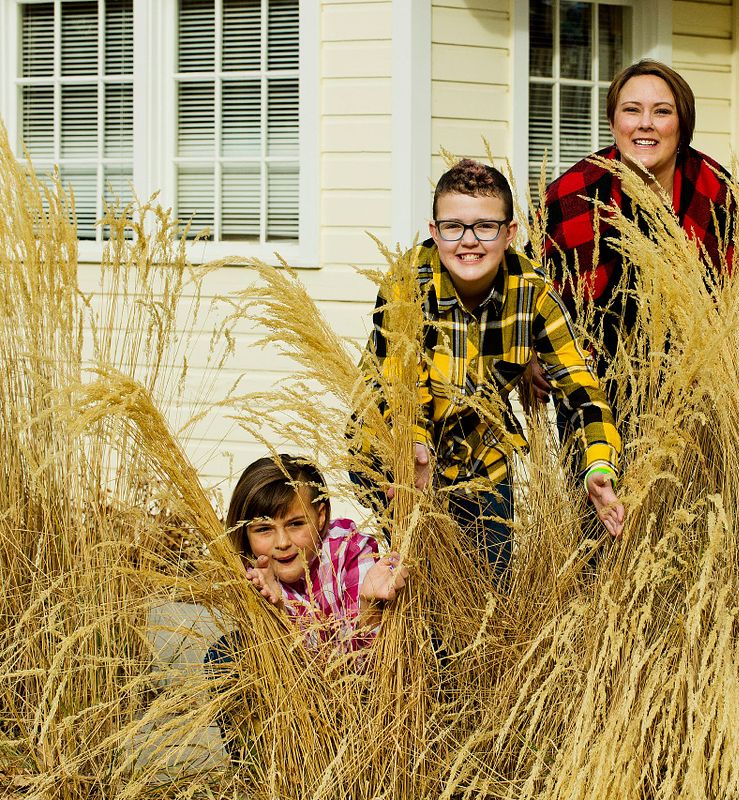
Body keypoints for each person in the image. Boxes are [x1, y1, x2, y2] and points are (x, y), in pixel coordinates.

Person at [354, 159, 625, 581]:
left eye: (485, 226)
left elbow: (580, 386)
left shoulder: (532, 291)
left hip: (481, 450)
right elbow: (399, 384)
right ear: (434, 231)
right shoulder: (407, 283)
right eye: (453, 227)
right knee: (416, 584)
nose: (469, 241)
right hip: (397, 446)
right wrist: (415, 448)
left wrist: (599, 464)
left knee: (488, 585)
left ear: (510, 233)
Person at [532, 58, 739, 407]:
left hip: (701, 404)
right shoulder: (573, 194)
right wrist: (529, 352)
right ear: (613, 122)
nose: (645, 124)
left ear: (683, 125)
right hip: (594, 399)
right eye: (631, 110)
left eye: (662, 112)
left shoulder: (720, 198)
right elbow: (526, 290)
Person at [205, 454, 407, 760]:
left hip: (362, 715)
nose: (282, 542)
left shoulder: (350, 552)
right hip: (297, 718)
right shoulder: (255, 575)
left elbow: (361, 671)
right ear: (245, 533)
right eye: (263, 529)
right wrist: (277, 612)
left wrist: (369, 608)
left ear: (320, 516)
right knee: (225, 654)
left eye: (296, 524)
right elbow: (288, 673)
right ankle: (258, 771)